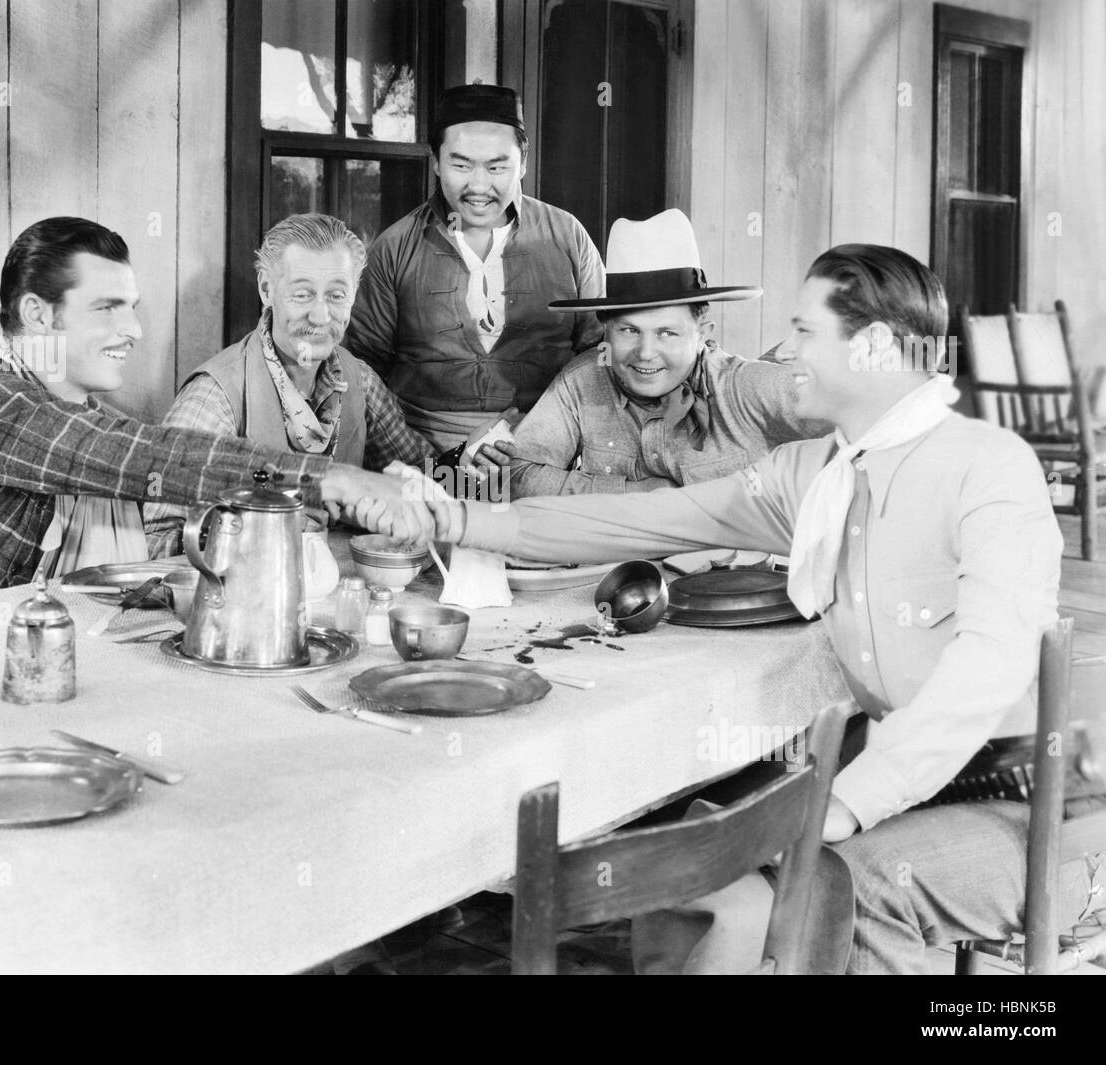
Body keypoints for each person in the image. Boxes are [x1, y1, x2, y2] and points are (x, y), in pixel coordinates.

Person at [420, 244, 1103, 973]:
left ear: (871, 345)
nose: (787, 351)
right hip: (917, 780)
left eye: (805, 332)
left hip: (1048, 804)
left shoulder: (989, 466)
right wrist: (457, 522)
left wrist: (845, 802)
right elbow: (643, 520)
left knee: (846, 886)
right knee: (696, 854)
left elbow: (988, 668)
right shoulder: (814, 476)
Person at [0, 217, 432, 612]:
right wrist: (331, 479)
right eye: (106, 308)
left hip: (20, 660)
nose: (131, 330)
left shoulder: (83, 413)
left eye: (131, 309)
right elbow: (144, 457)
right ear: (36, 314)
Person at [143, 213, 504, 558]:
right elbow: (155, 540)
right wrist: (258, 528)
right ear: (267, 289)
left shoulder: (358, 378)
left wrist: (468, 467)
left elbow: (417, 476)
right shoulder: (216, 395)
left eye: (336, 295)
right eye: (302, 295)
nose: (320, 316)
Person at [343, 83, 605, 454]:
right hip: (422, 455)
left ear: (524, 162)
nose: (479, 186)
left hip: (546, 446)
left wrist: (549, 427)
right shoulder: (394, 246)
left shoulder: (568, 237)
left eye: (497, 167)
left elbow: (600, 350)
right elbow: (361, 368)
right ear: (435, 160)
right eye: (461, 164)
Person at [510, 209, 826, 498]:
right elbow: (516, 473)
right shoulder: (583, 379)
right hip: (615, 560)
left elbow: (866, 417)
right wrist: (631, 492)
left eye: (667, 333)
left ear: (703, 334)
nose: (645, 353)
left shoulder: (745, 387)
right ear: (605, 330)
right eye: (629, 331)